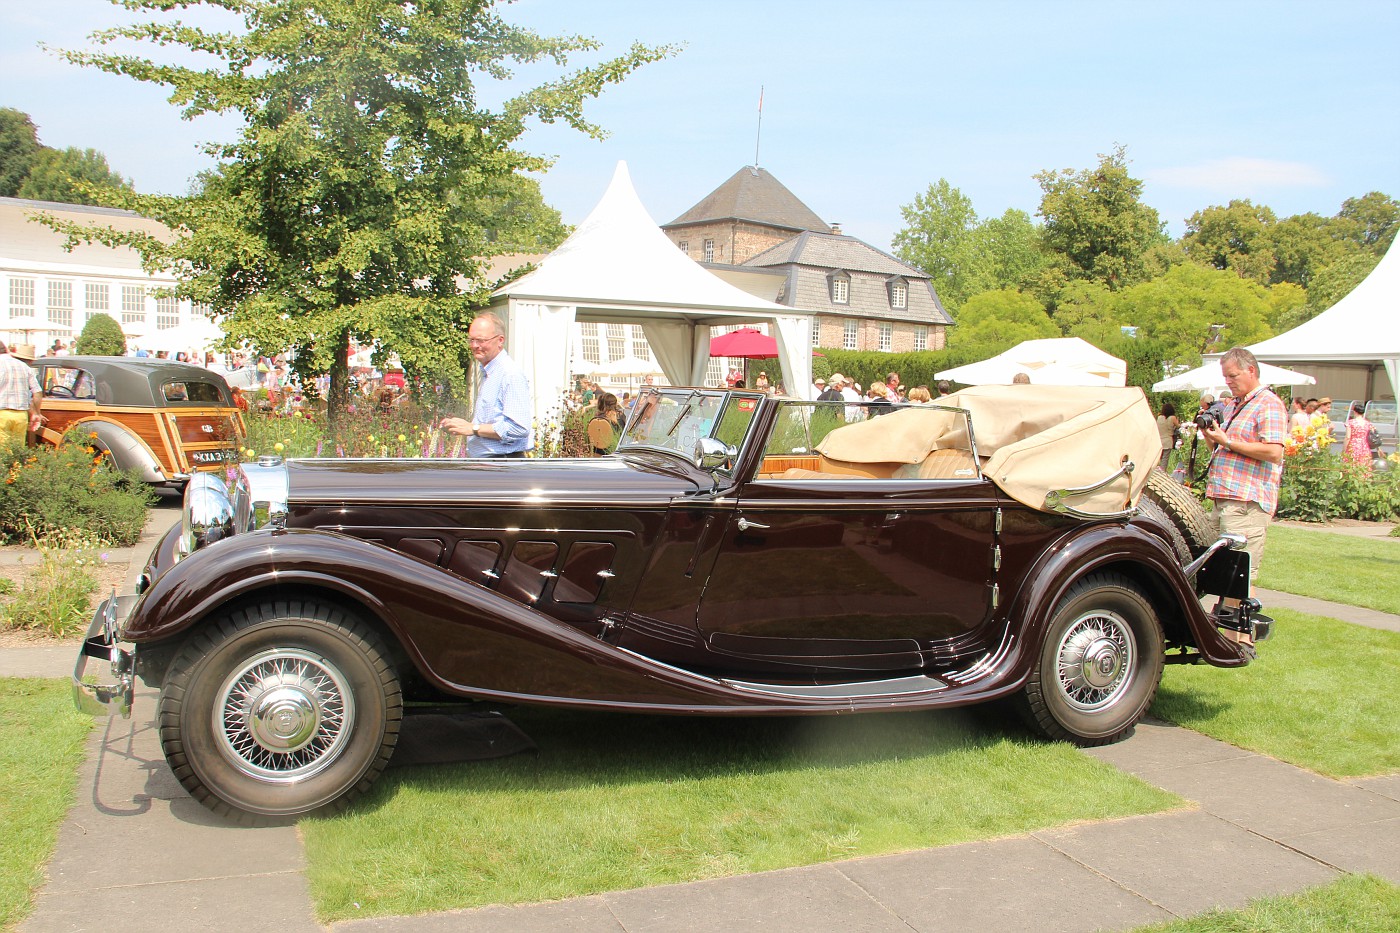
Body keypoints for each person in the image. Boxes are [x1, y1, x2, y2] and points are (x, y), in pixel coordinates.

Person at [1199, 346, 1286, 653]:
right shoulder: (1237, 405)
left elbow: (1274, 451)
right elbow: (1223, 449)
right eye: (1225, 376)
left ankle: (1238, 641)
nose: (1229, 381)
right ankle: (1225, 636)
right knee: (1219, 567)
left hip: (1247, 501)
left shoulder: (1268, 405)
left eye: (1233, 375)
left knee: (1238, 571)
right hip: (1226, 498)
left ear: (1251, 371)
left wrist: (1230, 441)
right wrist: (1213, 435)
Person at [441, 311, 532, 457]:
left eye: (481, 340)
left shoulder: (509, 374)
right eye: (471, 340)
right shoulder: (490, 373)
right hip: (491, 465)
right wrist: (462, 426)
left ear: (500, 340)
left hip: (502, 466)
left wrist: (473, 428)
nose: (475, 345)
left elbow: (519, 428)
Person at [0, 341, 44, 448]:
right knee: (17, 449)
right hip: (21, 415)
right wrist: (36, 413)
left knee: (3, 452)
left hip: (2, 413)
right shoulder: (24, 366)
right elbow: (37, 392)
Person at [1342, 402, 1374, 472]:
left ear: (1354, 411)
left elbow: (1348, 437)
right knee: (1363, 465)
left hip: (1353, 445)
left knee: (1351, 465)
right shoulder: (1367, 423)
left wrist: (1344, 450)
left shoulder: (1350, 422)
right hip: (1364, 446)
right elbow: (1373, 435)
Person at [1156, 402, 1180, 470]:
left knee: (1158, 458)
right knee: (1165, 459)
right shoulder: (1172, 418)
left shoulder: (1159, 417)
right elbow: (1178, 426)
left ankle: (1155, 472)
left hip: (1159, 440)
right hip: (1168, 440)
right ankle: (1162, 473)